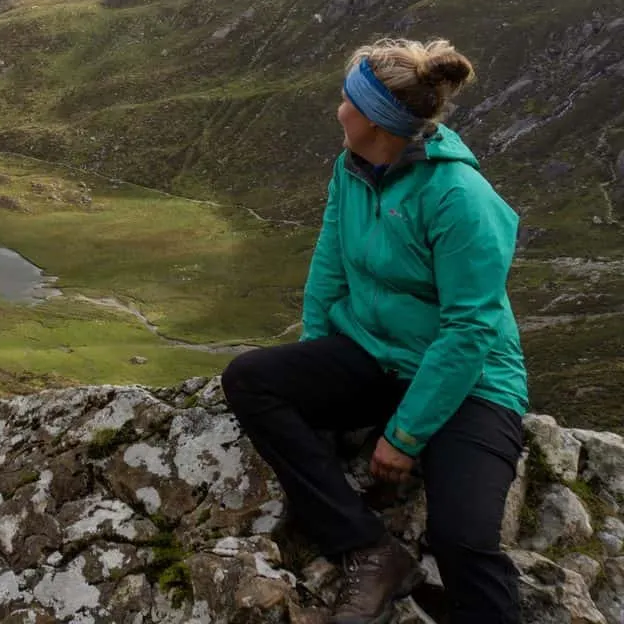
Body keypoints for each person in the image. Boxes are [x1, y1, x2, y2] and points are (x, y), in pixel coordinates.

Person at [221, 38, 528, 624]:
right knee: (251, 380)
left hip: (471, 382)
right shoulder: (353, 166)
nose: (337, 107)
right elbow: (330, 265)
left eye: (345, 99)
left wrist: (405, 436)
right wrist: (318, 359)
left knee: (463, 540)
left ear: (373, 118)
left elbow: (469, 330)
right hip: (372, 354)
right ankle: (368, 548)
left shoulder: (462, 200)